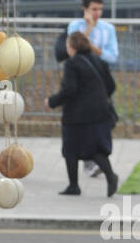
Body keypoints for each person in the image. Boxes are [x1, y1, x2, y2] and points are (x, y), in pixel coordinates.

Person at [47, 29, 119, 196]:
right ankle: (110, 176)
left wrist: (51, 101)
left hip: (77, 116)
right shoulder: (98, 61)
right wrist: (98, 97)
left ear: (71, 47)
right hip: (100, 113)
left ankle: (74, 186)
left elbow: (69, 90)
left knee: (70, 149)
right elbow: (111, 86)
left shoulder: (72, 64)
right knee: (95, 149)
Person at [60, 0, 119, 177]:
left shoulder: (107, 29)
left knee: (101, 120)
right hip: (78, 79)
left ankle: (97, 156)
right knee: (81, 121)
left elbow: (112, 56)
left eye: (100, 9)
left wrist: (90, 48)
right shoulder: (75, 26)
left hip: (99, 79)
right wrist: (87, 30)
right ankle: (88, 161)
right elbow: (72, 50)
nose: (97, 13)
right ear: (85, 9)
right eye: (94, 9)